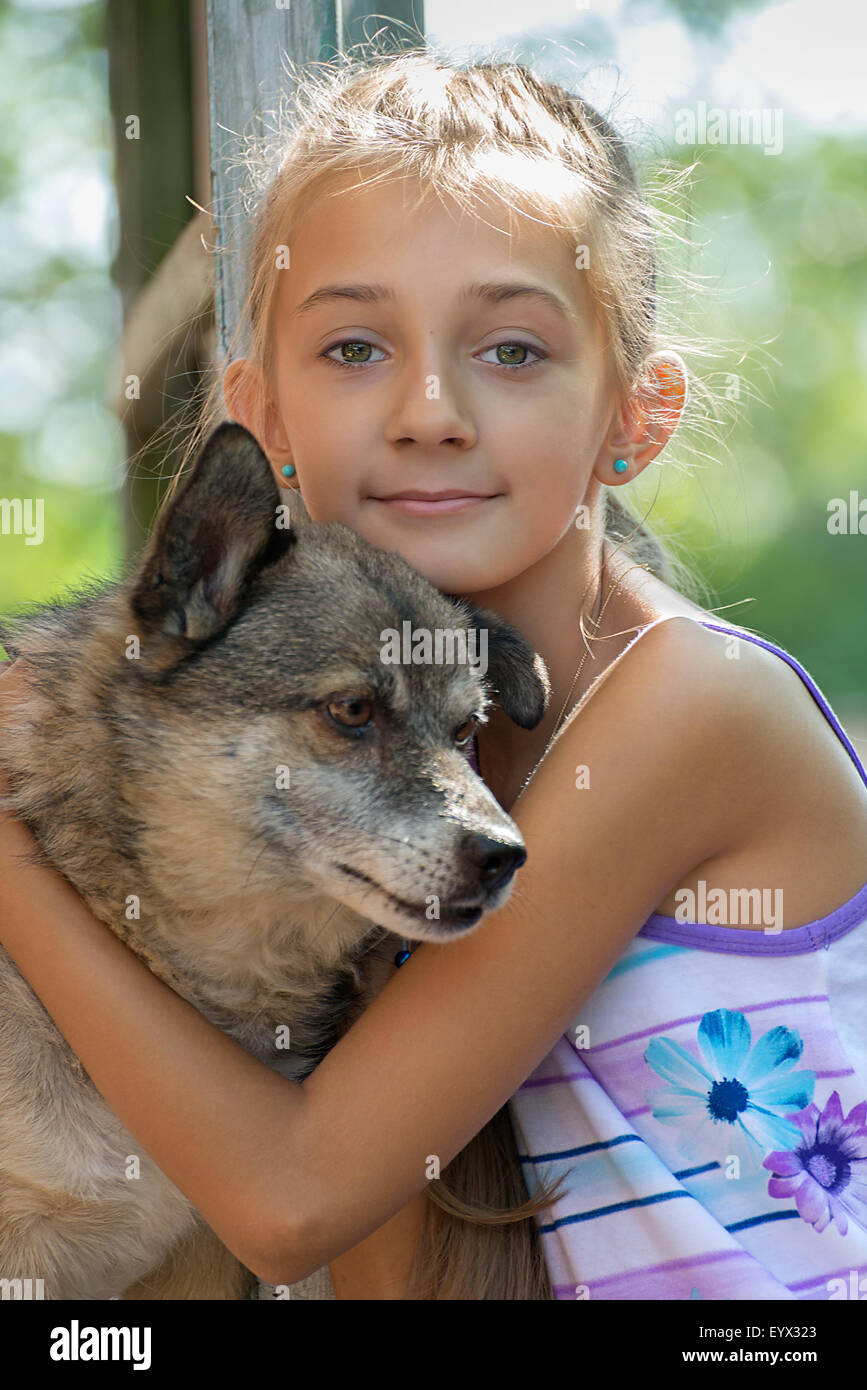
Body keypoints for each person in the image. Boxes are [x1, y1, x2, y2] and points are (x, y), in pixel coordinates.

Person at [1, 50, 866, 1303]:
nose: (429, 411)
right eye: (355, 346)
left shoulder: (691, 705)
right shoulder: (385, 781)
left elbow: (290, 1197)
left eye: (511, 350)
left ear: (636, 412)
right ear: (266, 414)